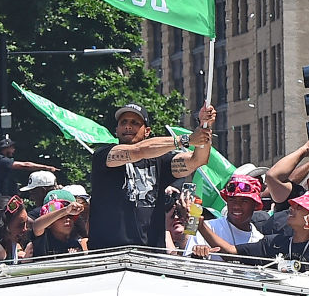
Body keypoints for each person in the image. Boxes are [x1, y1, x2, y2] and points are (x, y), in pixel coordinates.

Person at [89, 102, 217, 249]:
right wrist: (186, 139)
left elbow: (197, 160)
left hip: (150, 255)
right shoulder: (104, 155)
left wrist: (205, 127)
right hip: (109, 255)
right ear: (116, 130)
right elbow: (138, 151)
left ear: (147, 131)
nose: (128, 126)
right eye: (123, 122)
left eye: (135, 123)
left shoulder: (161, 161)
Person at [194, 190, 309, 277]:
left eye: (300, 207)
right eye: (293, 205)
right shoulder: (273, 243)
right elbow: (231, 252)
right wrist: (201, 226)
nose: (292, 208)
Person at [185, 174, 264, 260]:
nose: (236, 206)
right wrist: (197, 255)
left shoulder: (259, 240)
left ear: (255, 204)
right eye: (232, 200)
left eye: (244, 201)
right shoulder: (206, 227)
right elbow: (186, 266)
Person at [0, 137, 58, 212]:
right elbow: (25, 165)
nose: (14, 150)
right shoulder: (3, 160)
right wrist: (46, 167)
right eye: (12, 148)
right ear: (6, 148)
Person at [27, 189, 87, 257]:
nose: (67, 219)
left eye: (71, 215)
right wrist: (65, 210)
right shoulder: (43, 239)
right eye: (60, 217)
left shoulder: (76, 240)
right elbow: (37, 226)